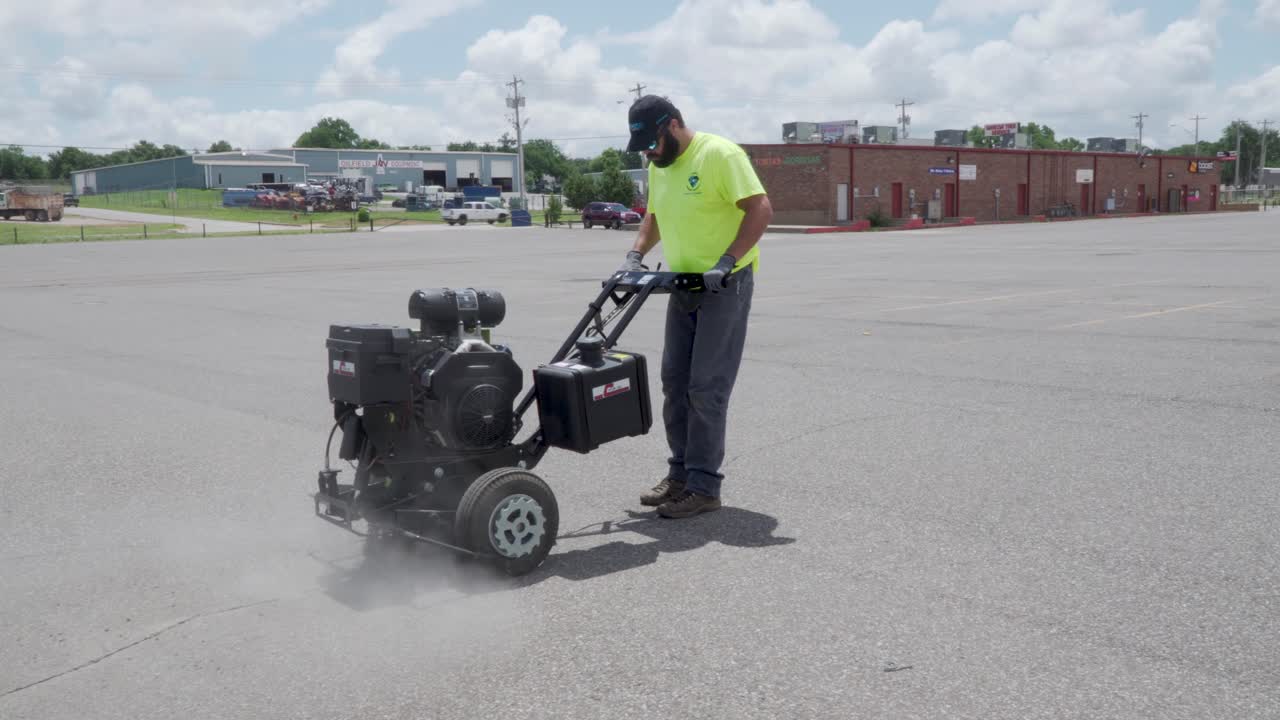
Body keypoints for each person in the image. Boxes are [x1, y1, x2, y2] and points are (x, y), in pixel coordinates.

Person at [617, 95, 773, 519]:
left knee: (706, 387)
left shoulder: (720, 154)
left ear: (671, 126)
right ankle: (680, 476)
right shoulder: (659, 166)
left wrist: (727, 260)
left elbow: (760, 207)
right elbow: (655, 215)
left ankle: (704, 486)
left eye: (652, 142)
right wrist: (635, 255)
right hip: (681, 283)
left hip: (725, 284)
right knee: (674, 382)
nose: (648, 152)